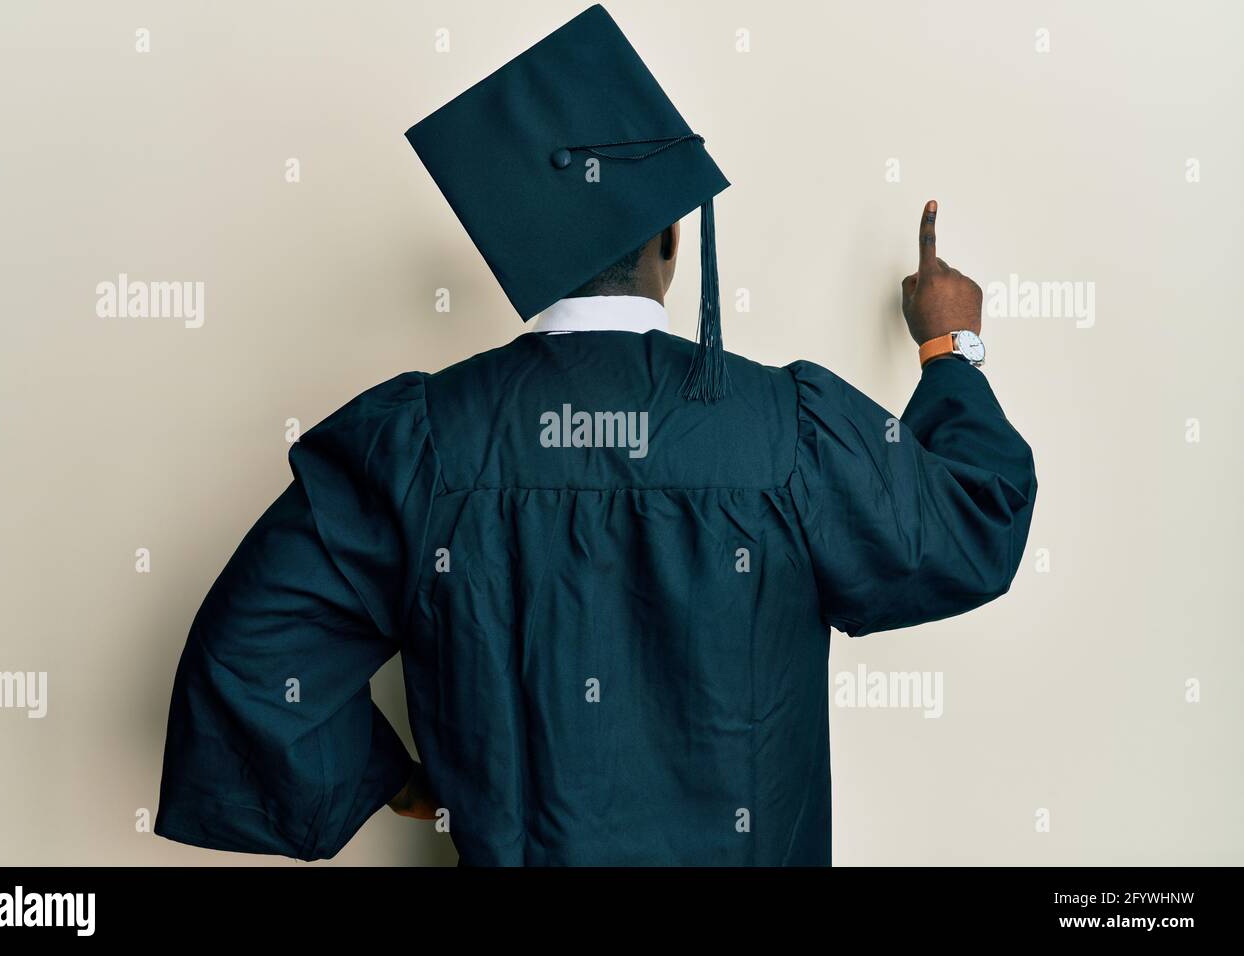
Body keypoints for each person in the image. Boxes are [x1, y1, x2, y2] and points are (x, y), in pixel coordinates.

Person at [155, 5, 1035, 866]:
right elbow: (975, 526)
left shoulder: (420, 444)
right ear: (672, 237)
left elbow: (254, 654)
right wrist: (949, 346)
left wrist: (389, 783)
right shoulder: (791, 431)